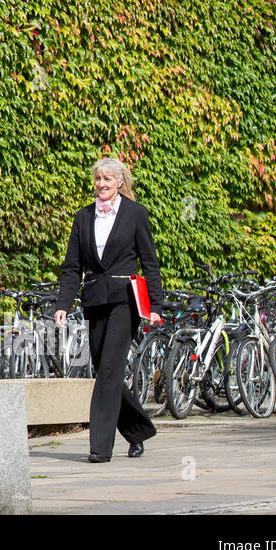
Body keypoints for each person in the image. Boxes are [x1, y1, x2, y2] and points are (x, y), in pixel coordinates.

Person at [52, 157, 164, 462]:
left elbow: (150, 263)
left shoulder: (135, 214)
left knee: (110, 370)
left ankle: (100, 447)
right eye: (98, 179)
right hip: (94, 301)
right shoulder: (83, 217)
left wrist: (155, 305)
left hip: (124, 301)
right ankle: (138, 430)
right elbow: (72, 267)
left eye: (108, 179)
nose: (102, 184)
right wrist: (63, 304)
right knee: (105, 372)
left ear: (119, 182)